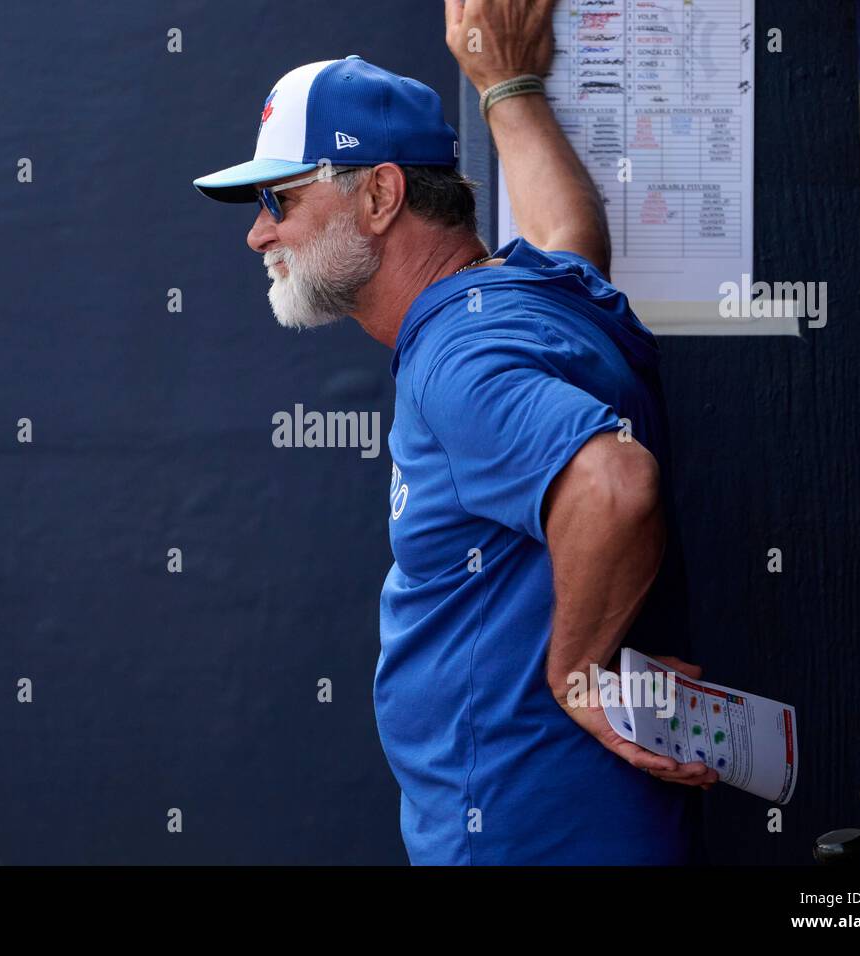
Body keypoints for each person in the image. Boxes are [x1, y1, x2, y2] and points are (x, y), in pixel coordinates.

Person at [193, 0, 717, 865]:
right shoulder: (526, 294)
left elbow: (614, 486)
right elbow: (571, 236)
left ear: (381, 195)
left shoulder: (458, 359)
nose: (258, 234)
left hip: (525, 840)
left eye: (280, 198)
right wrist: (506, 85)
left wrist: (575, 672)